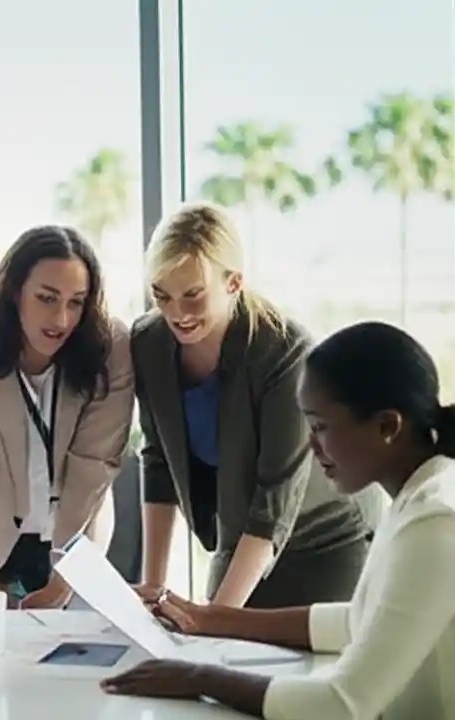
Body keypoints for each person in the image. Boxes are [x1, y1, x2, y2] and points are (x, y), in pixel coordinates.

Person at [103, 321, 455, 719]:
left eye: (321, 427)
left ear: (387, 426)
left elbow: (342, 705)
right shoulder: (429, 496)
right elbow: (359, 621)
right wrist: (211, 618)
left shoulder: (439, 523)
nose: (312, 446)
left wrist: (195, 678)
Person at [131, 202, 372, 609]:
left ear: (234, 282)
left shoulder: (284, 353)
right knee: (219, 659)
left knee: (294, 660)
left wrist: (216, 620)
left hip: (325, 538)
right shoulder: (148, 342)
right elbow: (158, 462)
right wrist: (153, 586)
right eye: (161, 295)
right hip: (239, 533)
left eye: (193, 295)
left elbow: (272, 502)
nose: (176, 313)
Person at [0, 225, 134, 608]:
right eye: (46, 298)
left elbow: (94, 464)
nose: (61, 318)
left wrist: (63, 583)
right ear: (13, 290)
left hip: (75, 544)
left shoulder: (109, 350)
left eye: (76, 302)